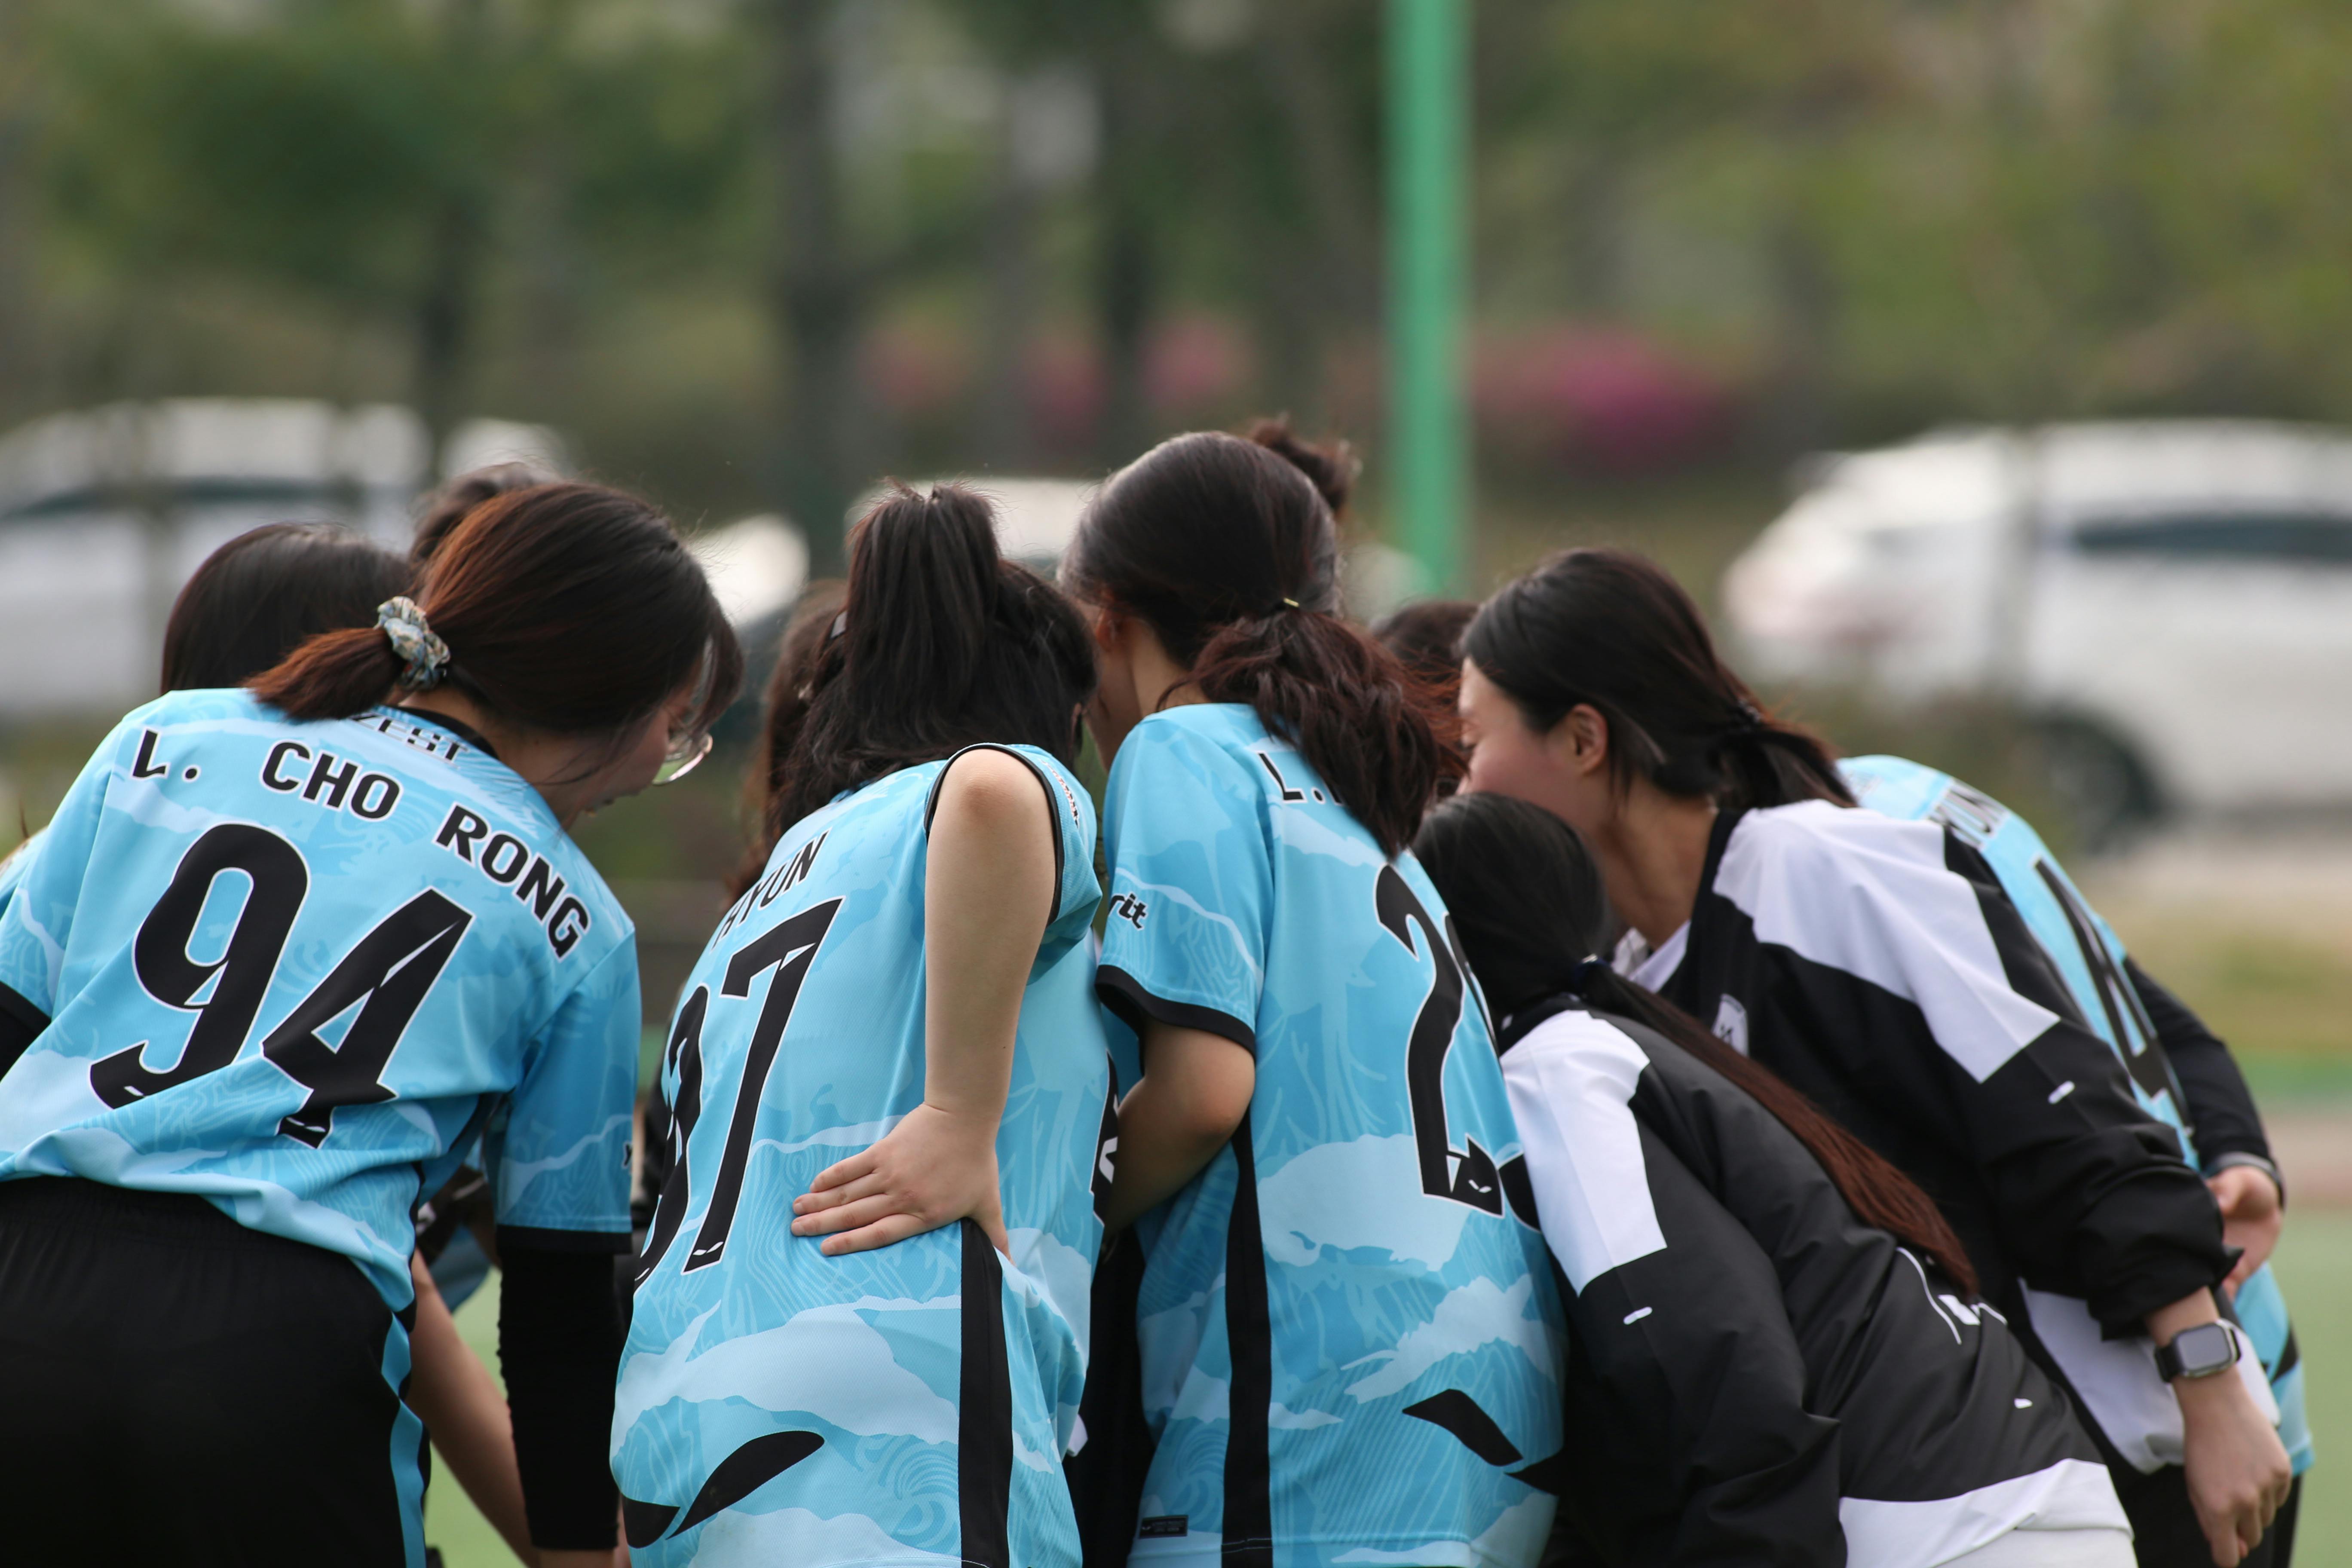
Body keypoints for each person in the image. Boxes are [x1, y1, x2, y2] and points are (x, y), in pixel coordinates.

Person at [1456, 547, 2291, 1568]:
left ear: (1582, 739)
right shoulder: (1623, 985)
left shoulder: (1831, 870)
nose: (1465, 784)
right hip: (1945, 1504)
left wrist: (2208, 1382)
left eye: (1471, 741)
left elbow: (2068, 1119)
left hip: (2116, 1472)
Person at [0, 481, 740, 1567]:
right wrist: (583, 1552)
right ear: (621, 699)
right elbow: (557, 1308)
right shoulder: (577, 920)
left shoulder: (168, 736)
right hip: (276, 1352)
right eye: (679, 723)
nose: (670, 752)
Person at [1064, 423, 1562, 1567]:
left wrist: (1034, 1229)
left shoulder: (1185, 750)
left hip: (1313, 1424)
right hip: (1483, 1419)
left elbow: (1198, 1096)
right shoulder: (1360, 799)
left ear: (1109, 624)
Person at [1416, 790, 2135, 1567]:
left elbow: (1715, 1374)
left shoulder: (1553, 1074)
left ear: (1437, 944)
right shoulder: (1610, 1046)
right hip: (2007, 1497)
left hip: (1951, 1524)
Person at [613, 484, 1110, 1567]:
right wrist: (958, 1112)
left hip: (686, 1423)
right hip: (894, 1415)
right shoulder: (986, 789)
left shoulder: (768, 893)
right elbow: (996, 790)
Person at [1839, 754, 2309, 1559]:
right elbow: (2163, 1023)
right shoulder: (1908, 792)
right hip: (2230, 1373)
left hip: (2175, 1402)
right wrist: (2245, 1159)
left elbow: (2081, 1099)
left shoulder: (1854, 854)